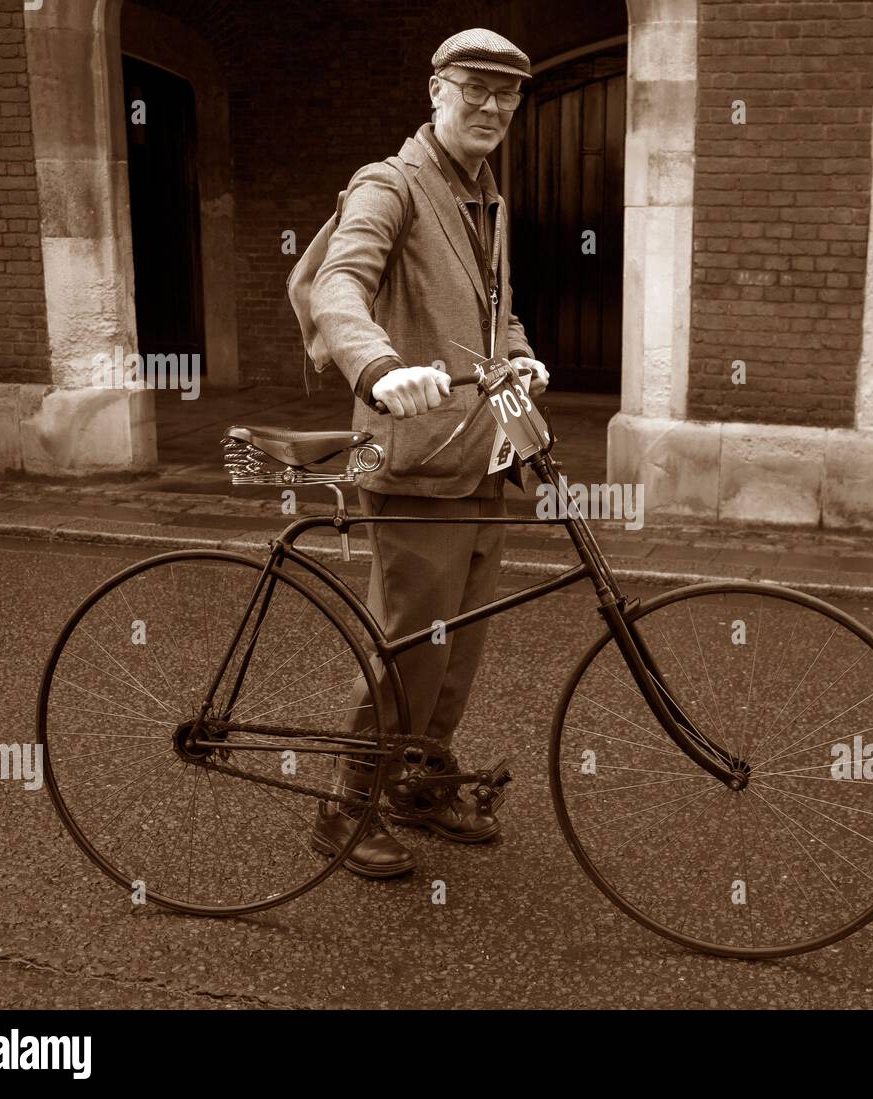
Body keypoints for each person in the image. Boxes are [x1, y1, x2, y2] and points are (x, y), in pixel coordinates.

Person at [307, 28, 549, 878]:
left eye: (507, 94)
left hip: (482, 454)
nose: (490, 107)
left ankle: (415, 777)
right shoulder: (391, 183)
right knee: (412, 644)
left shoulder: (486, 194)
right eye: (473, 89)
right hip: (413, 455)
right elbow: (341, 282)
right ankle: (346, 801)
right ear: (436, 92)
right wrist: (378, 367)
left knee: (460, 645)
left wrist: (518, 351)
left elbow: (493, 309)